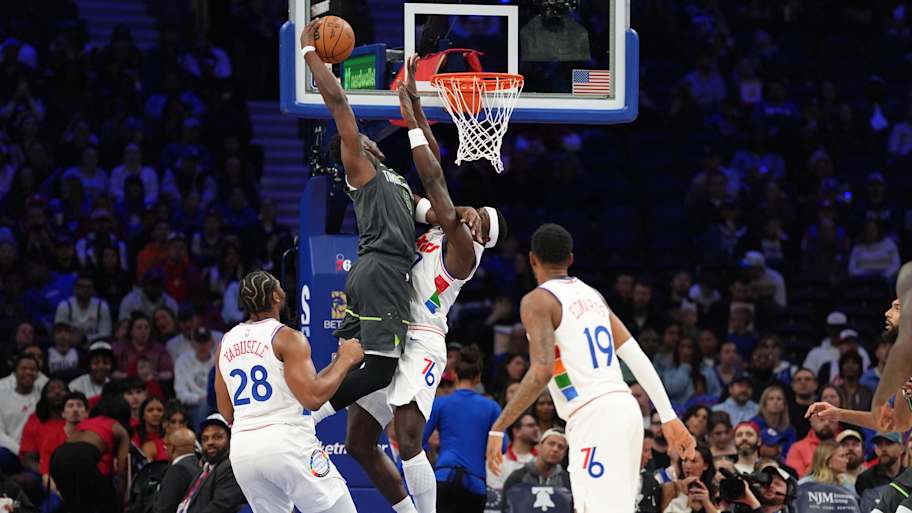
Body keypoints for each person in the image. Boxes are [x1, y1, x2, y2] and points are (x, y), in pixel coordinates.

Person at [315, 54, 503, 513]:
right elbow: (427, 183)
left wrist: (412, 117)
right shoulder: (441, 226)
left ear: (482, 238)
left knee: (407, 434)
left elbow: (436, 178)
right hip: (393, 322)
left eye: (482, 221)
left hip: (421, 339)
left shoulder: (462, 251)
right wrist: (415, 110)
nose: (474, 213)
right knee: (360, 441)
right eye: (477, 209)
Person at [485, 223, 696, 512]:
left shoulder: (537, 300)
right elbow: (635, 355)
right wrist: (668, 414)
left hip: (595, 416)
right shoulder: (592, 295)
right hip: (624, 410)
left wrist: (499, 427)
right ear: (570, 259)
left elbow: (542, 371)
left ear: (532, 258)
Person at [213, 270, 363, 513]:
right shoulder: (287, 338)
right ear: (276, 296)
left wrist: (336, 365)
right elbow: (313, 398)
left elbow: (226, 412)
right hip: (286, 443)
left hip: (243, 451)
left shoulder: (225, 343)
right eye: (280, 287)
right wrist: (345, 359)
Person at [423, 345, 501, 513]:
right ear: (478, 378)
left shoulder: (440, 403)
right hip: (475, 482)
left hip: (444, 476)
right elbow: (501, 446)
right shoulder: (492, 407)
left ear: (454, 375)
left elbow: (419, 441)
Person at [49, 392, 131, 513]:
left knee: (74, 506)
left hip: (57, 458)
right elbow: (122, 472)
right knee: (104, 501)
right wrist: (119, 506)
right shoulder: (119, 429)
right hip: (82, 459)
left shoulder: (86, 422)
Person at [175, 414, 244, 513]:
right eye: (205, 439)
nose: (210, 442)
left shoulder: (230, 466)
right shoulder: (204, 470)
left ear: (230, 439)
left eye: (217, 437)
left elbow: (221, 507)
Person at [501, 428, 572, 513]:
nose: (555, 449)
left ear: (565, 453)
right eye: (551, 444)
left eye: (561, 447)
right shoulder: (517, 477)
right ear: (539, 446)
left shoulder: (568, 481)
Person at [0, 355, 42, 459]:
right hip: (10, 452)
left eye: (32, 369)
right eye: (23, 369)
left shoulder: (44, 397)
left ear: (37, 374)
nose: (28, 372)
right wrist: (19, 451)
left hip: (38, 453)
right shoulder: (1, 397)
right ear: (14, 373)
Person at [174, 326, 215, 427]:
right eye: (198, 342)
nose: (202, 345)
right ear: (192, 343)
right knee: (204, 405)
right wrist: (199, 398)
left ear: (212, 342)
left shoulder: (218, 361)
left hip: (216, 403)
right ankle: (199, 437)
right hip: (192, 406)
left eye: (205, 341)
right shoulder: (182, 361)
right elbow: (180, 393)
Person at [659, 443, 718, 513]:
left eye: (693, 461)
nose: (688, 466)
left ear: (705, 465)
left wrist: (707, 504)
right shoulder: (670, 488)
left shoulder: (714, 490)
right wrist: (682, 496)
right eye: (685, 460)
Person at [153, 427, 200, 513]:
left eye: (166, 446)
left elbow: (165, 508)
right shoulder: (198, 466)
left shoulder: (177, 470)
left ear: (172, 448)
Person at [786, 412, 838, 478]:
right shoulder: (798, 448)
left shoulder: (843, 447)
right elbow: (795, 480)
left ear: (838, 423)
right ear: (811, 421)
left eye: (831, 420)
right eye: (821, 419)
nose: (826, 423)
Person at [855, 432, 904, 496]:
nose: (883, 449)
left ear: (901, 448)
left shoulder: (909, 477)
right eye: (879, 444)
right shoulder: (865, 479)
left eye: (889, 443)